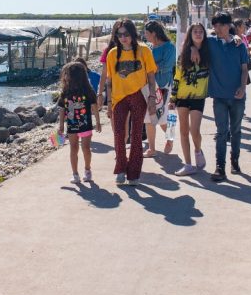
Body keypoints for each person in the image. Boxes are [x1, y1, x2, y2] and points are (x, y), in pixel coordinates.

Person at [104, 19, 157, 185]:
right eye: (119, 35)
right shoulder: (112, 54)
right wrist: (109, 103)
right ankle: (120, 168)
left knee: (136, 135)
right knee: (119, 134)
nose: (123, 38)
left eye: (126, 34)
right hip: (119, 98)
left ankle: (134, 172)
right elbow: (109, 80)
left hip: (138, 95)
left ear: (133, 34)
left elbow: (151, 76)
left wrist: (152, 98)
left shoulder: (144, 51)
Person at [207, 11, 250, 182]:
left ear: (228, 25)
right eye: (215, 25)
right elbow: (193, 39)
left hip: (237, 95)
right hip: (219, 96)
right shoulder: (211, 42)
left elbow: (245, 69)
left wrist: (242, 88)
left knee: (236, 130)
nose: (217, 29)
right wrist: (194, 49)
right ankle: (220, 167)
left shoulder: (240, 45)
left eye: (220, 25)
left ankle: (235, 161)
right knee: (221, 132)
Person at [169, 23, 210, 176]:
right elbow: (177, 77)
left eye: (201, 31)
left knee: (195, 130)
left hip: (198, 97)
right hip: (182, 97)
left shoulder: (209, 52)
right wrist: (172, 98)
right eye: (195, 32)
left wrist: (237, 37)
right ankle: (188, 164)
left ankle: (198, 150)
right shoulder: (183, 55)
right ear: (190, 35)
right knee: (184, 131)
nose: (198, 34)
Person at [57, 60, 103, 184]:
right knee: (73, 148)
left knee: (86, 148)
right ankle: (75, 174)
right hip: (71, 126)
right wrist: (61, 125)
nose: (65, 77)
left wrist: (98, 122)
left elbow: (94, 107)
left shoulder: (88, 91)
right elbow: (62, 109)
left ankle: (87, 170)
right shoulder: (65, 92)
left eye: (67, 74)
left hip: (86, 125)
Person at [142, 20, 177, 157]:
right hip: (148, 87)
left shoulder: (169, 47)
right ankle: (152, 149)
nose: (145, 36)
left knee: (162, 117)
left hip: (163, 85)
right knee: (149, 117)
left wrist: (150, 68)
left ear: (154, 33)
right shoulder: (148, 47)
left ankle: (170, 138)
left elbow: (166, 66)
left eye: (147, 33)